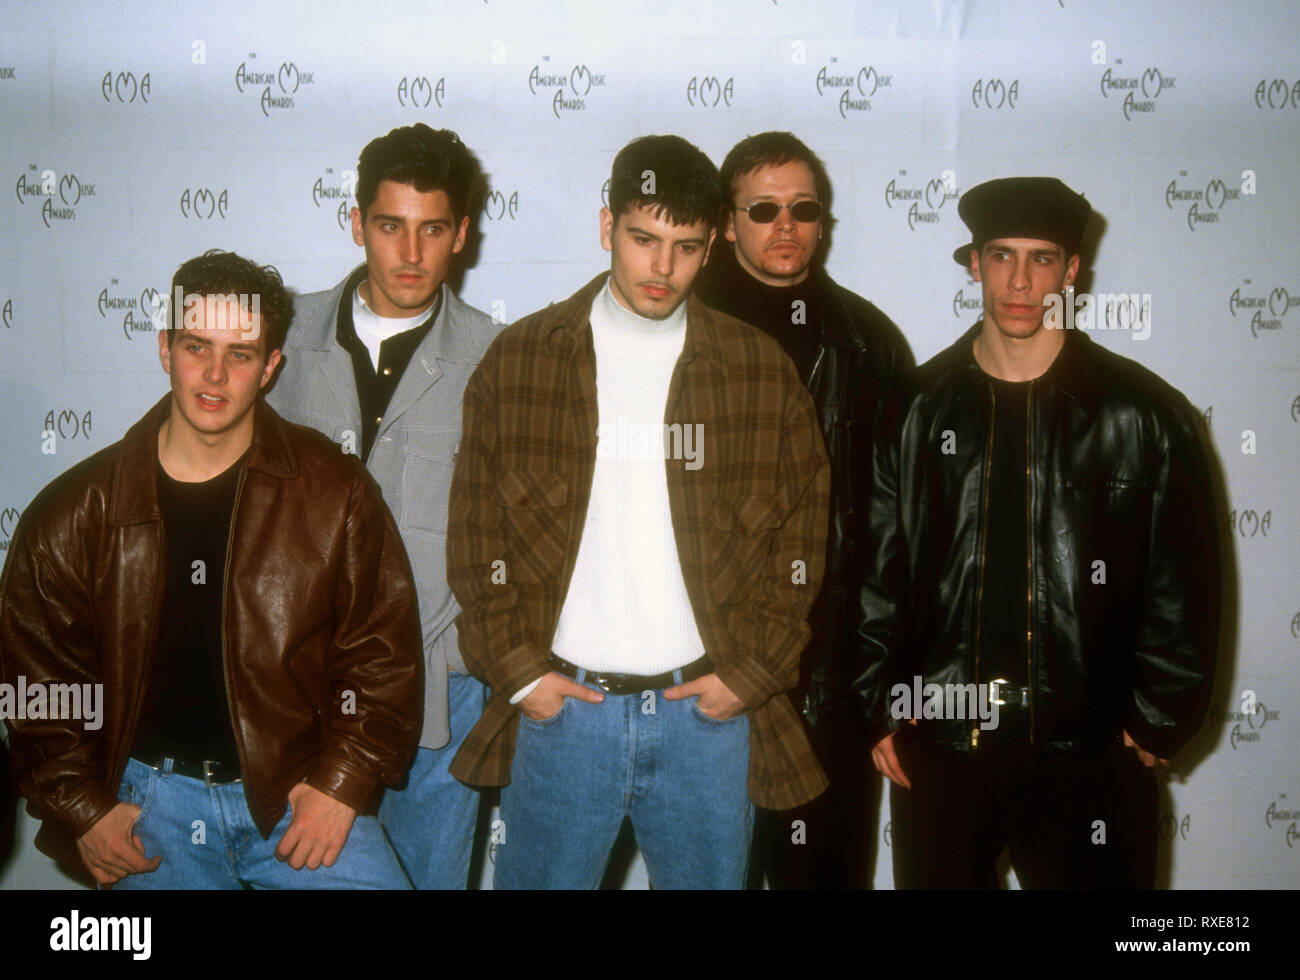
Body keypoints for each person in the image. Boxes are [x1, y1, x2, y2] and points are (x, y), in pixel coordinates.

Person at [446, 135, 831, 889]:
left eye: (686, 247)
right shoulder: (522, 358)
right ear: (605, 226)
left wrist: (752, 673)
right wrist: (522, 674)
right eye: (643, 239)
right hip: (565, 716)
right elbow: (474, 533)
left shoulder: (758, 371)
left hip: (706, 722)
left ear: (714, 244)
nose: (662, 269)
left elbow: (805, 538)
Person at [0, 251, 422, 888]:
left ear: (271, 366)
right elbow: (39, 686)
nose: (215, 374)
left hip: (295, 795)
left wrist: (343, 781)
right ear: (165, 348)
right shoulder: (74, 513)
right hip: (146, 806)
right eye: (198, 346)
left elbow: (382, 655)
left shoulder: (335, 493)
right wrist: (85, 810)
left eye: (242, 353)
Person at [856, 177, 1220, 889]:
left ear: (1073, 269)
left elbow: (1186, 581)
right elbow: (877, 571)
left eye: (1042, 258)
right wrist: (880, 708)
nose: (1020, 282)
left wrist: (1156, 722)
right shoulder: (914, 408)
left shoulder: (1142, 415)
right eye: (1001, 256)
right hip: (944, 750)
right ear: (973, 264)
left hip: (1089, 757)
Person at [267, 124, 500, 889]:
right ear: (356, 221)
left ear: (461, 234)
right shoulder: (278, 339)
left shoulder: (500, 360)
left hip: (440, 689)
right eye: (390, 226)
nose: (410, 253)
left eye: (433, 229)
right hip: (292, 681)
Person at [697, 131, 912, 889]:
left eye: (803, 208)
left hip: (829, 678)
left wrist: (883, 679)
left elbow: (899, 529)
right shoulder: (672, 328)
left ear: (823, 221)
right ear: (726, 222)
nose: (784, 226)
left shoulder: (869, 343)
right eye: (763, 209)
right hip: (695, 665)